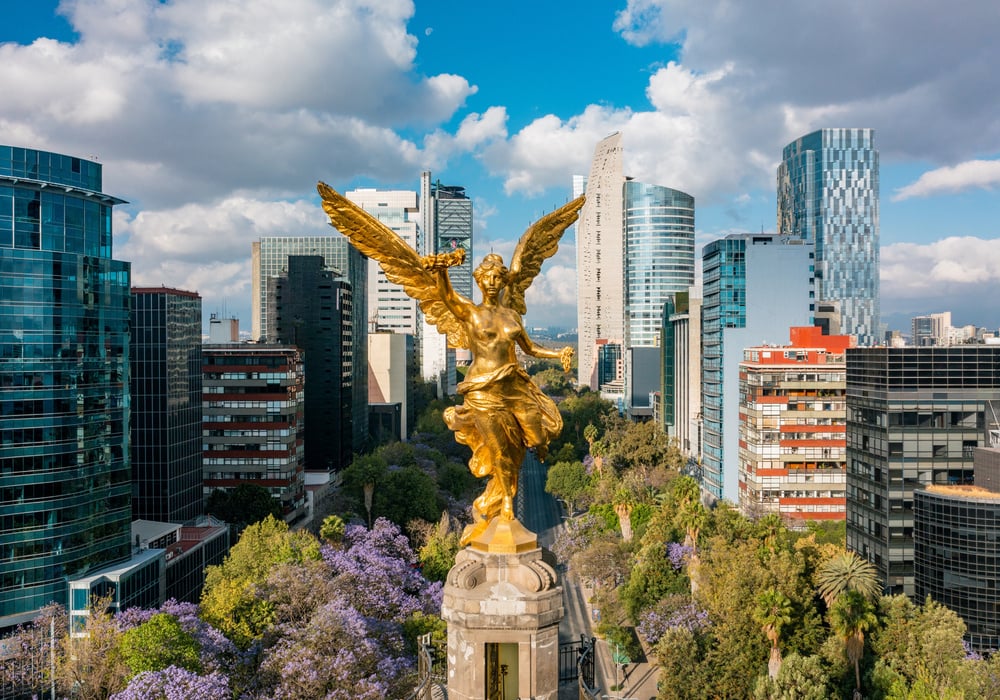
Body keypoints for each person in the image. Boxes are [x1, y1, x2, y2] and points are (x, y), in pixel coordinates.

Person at [423, 252, 573, 543]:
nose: (492, 282)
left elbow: (529, 348)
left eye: (497, 277)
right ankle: (505, 502)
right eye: (487, 277)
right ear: (479, 281)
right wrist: (441, 270)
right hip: (484, 392)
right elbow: (447, 296)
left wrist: (558, 354)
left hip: (513, 388)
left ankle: (531, 452)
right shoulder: (471, 312)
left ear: (503, 281)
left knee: (539, 437)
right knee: (501, 451)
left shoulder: (511, 315)